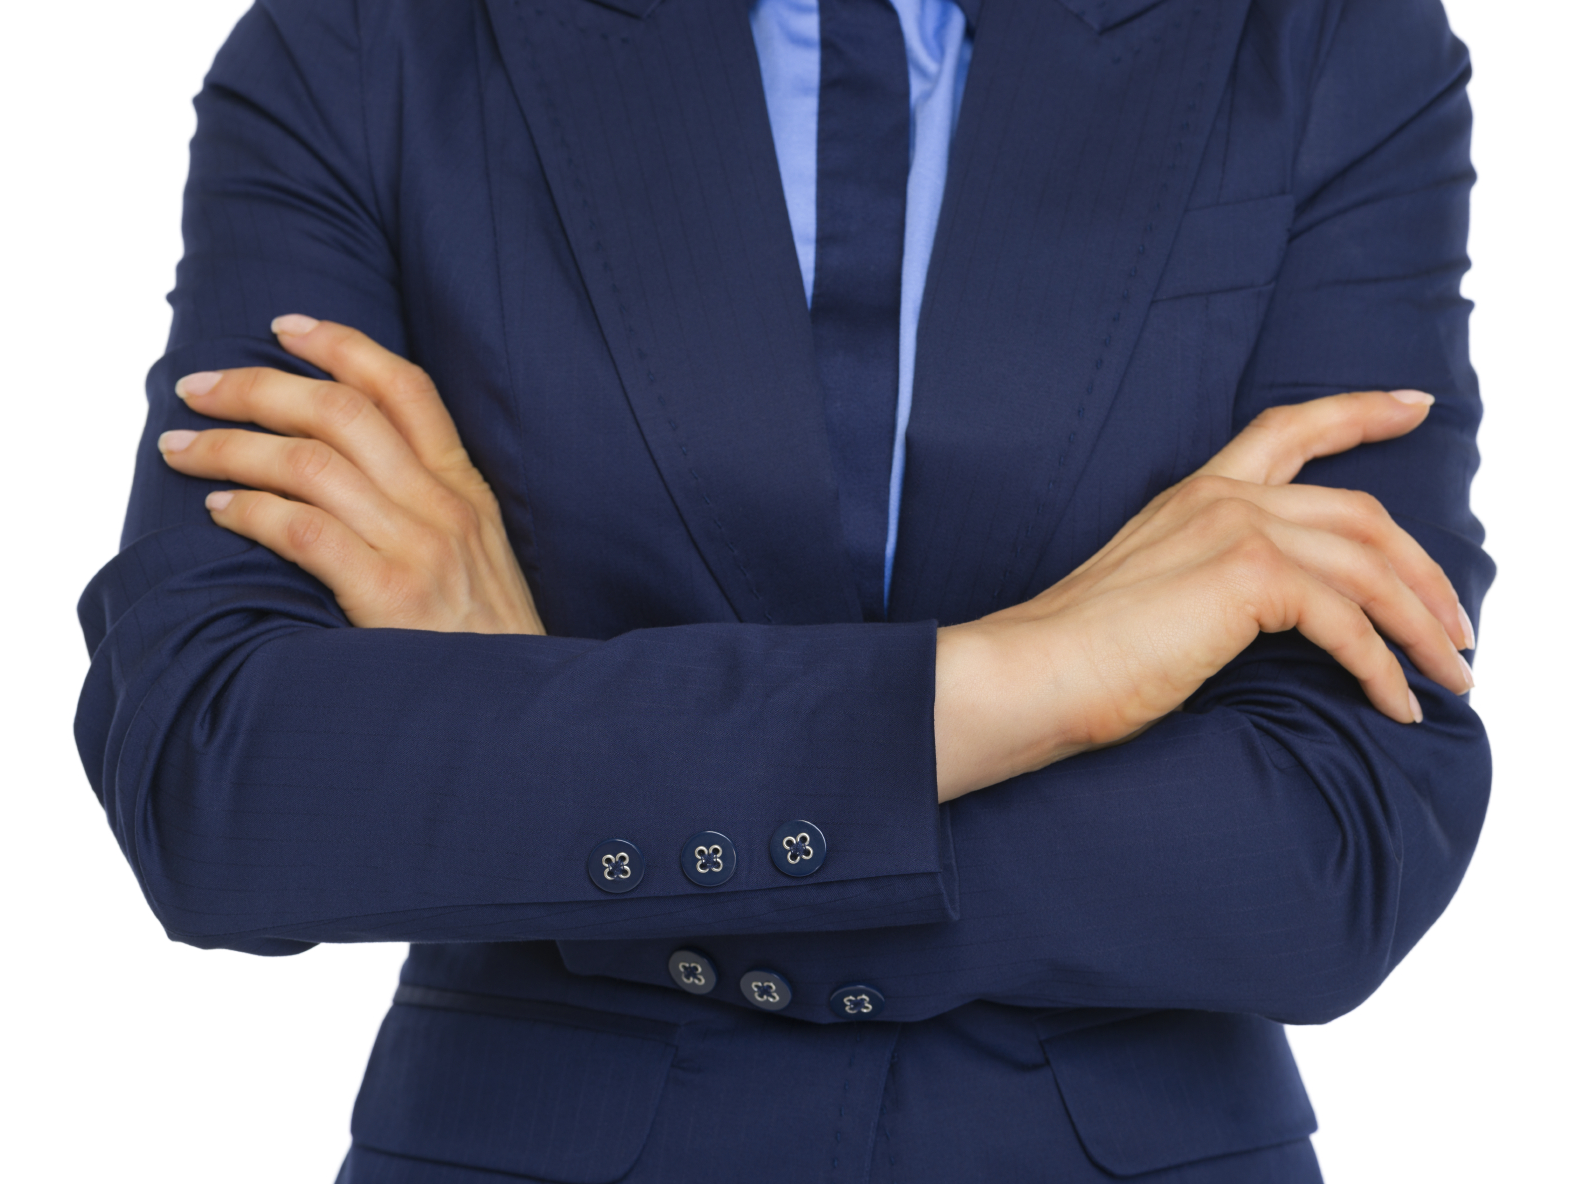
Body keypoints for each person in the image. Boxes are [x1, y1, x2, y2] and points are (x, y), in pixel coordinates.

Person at [74, 0, 1490, 1178]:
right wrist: (1029, 674)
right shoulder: (373, 46)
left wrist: (541, 733)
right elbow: (225, 776)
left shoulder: (1315, 42)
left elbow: (1330, 844)